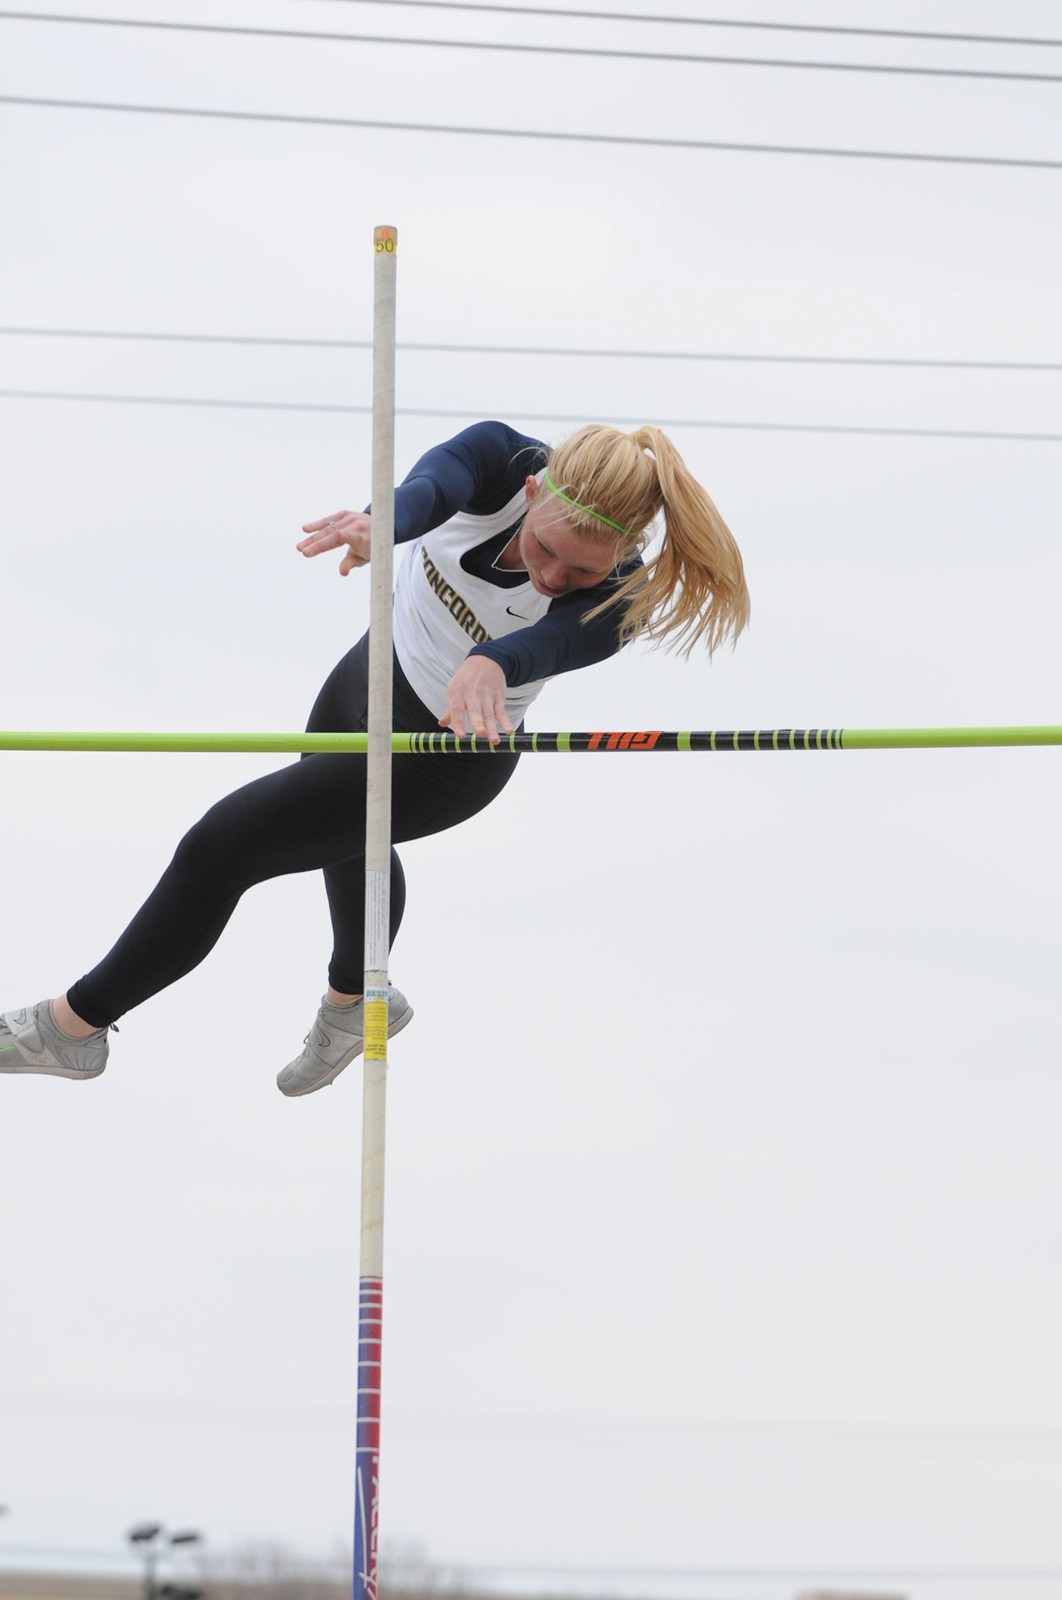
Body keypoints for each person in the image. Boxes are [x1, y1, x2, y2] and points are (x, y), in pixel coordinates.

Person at [0, 420, 749, 1096]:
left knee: (220, 848)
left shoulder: (623, 598)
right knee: (349, 845)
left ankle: (71, 1029)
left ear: (622, 553)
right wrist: (378, 523)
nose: (553, 577)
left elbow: (547, 642)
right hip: (366, 679)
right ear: (531, 492)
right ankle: (356, 1003)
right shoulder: (498, 459)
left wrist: (493, 662)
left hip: (446, 756)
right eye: (546, 549)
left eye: (579, 572)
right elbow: (429, 490)